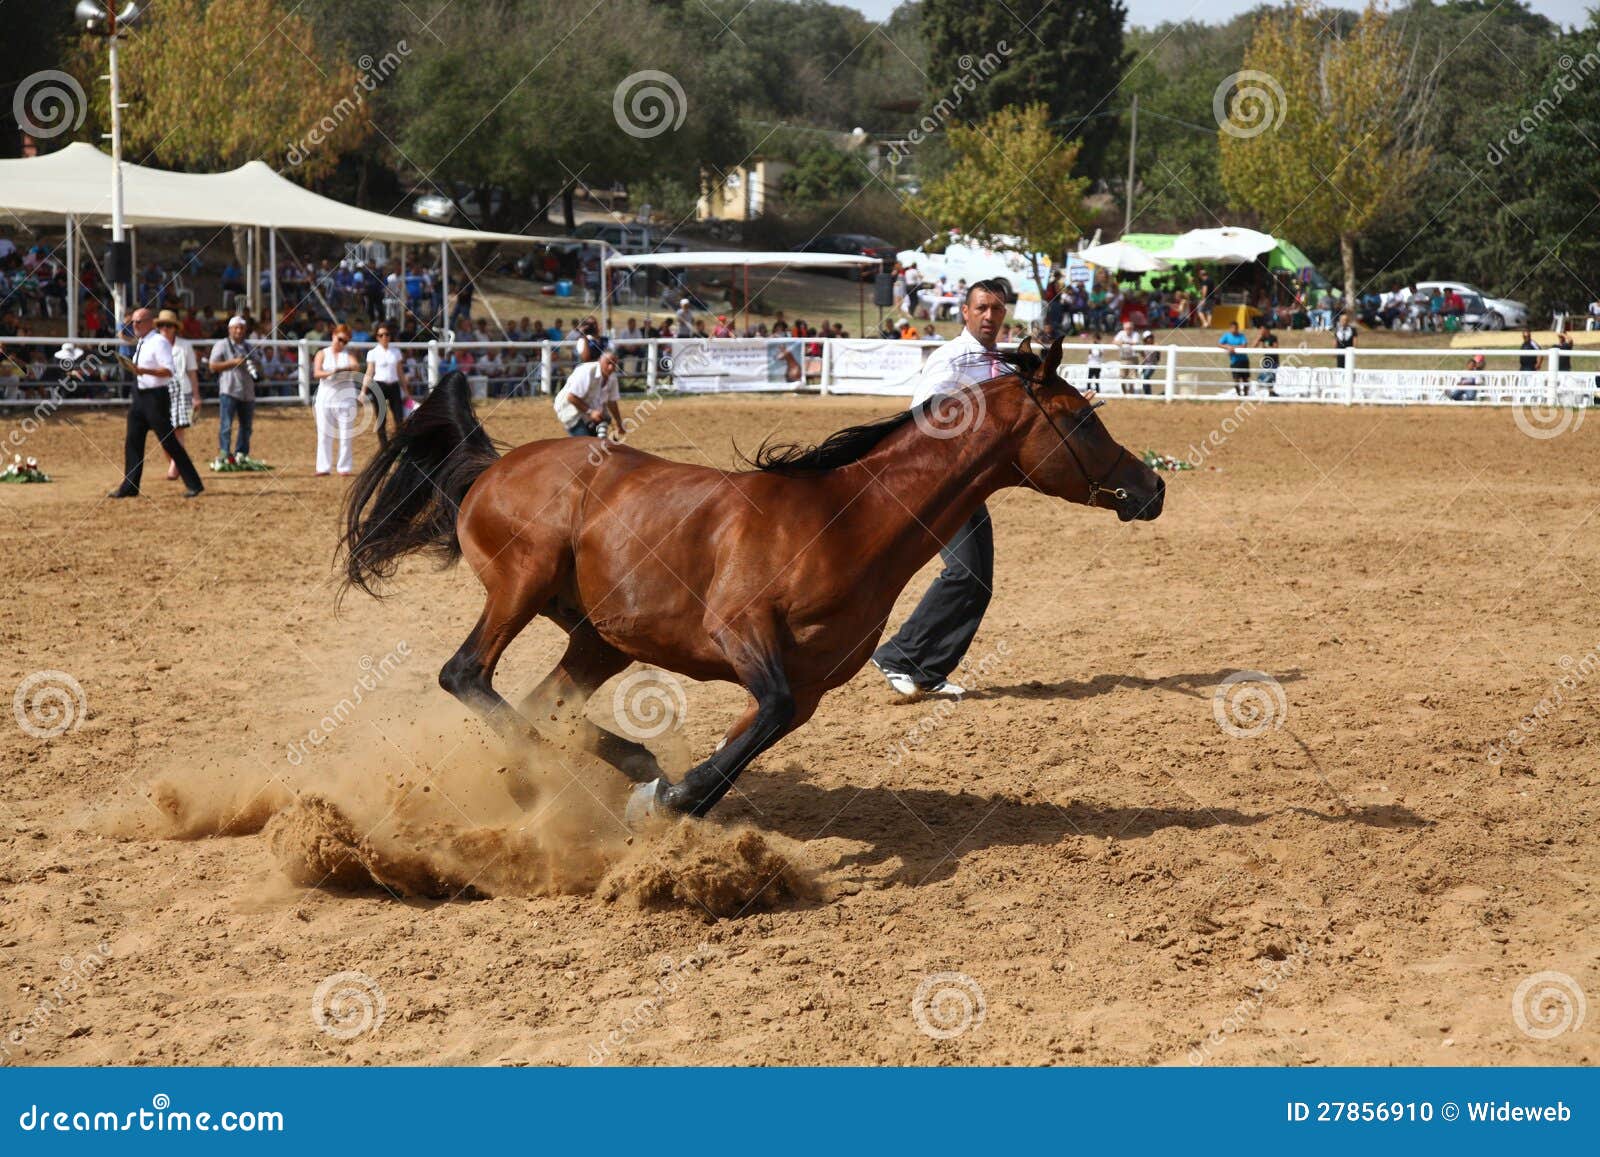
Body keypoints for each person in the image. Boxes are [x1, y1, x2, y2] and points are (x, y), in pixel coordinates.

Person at [870, 278, 1013, 700]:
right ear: (965, 313)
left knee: (978, 582)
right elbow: (922, 417)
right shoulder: (950, 359)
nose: (990, 316)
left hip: (968, 484)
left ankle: (928, 671)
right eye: (983, 308)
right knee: (964, 574)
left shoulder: (1001, 364)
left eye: (997, 309)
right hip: (937, 483)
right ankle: (898, 656)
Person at [107, 307, 204, 498]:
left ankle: (194, 483)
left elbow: (168, 371)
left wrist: (143, 371)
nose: (134, 325)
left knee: (169, 441)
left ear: (150, 323)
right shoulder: (143, 342)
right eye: (132, 322)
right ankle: (130, 486)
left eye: (138, 322)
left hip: (155, 397)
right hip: (140, 395)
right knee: (133, 441)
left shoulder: (159, 342)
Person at [156, 310, 201, 480]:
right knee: (164, 433)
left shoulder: (185, 346)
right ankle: (177, 463)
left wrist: (196, 396)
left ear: (175, 328)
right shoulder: (153, 345)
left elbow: (192, 372)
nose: (165, 328)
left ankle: (175, 466)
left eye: (168, 325)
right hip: (161, 391)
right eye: (162, 325)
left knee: (178, 430)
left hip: (182, 389)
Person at [313, 323, 361, 476]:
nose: (342, 344)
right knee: (324, 434)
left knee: (346, 434)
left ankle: (344, 467)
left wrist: (343, 369)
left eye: (345, 341)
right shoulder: (322, 353)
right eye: (340, 339)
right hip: (325, 398)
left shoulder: (348, 354)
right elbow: (316, 372)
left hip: (345, 398)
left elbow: (356, 366)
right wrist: (330, 373)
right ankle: (323, 467)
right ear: (333, 336)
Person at [209, 315, 257, 459]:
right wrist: (233, 362)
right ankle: (224, 452)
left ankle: (241, 453)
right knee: (226, 425)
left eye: (241, 328)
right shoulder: (222, 345)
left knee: (246, 426)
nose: (239, 331)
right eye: (236, 327)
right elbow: (212, 366)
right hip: (229, 389)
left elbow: (259, 366)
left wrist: (253, 363)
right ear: (230, 329)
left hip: (247, 391)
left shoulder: (250, 347)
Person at [361, 322, 410, 445]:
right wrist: (363, 391)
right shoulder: (372, 353)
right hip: (379, 386)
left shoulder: (396, 352)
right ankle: (384, 446)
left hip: (393, 385)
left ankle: (399, 444)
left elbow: (400, 373)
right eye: (381, 335)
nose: (384, 337)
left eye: (387, 334)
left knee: (399, 417)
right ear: (377, 337)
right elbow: (369, 372)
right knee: (381, 418)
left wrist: (406, 391)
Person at [554, 350, 623, 437]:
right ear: (600, 361)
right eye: (608, 363)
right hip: (569, 409)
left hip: (589, 409)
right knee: (585, 443)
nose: (611, 367)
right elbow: (571, 397)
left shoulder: (612, 377)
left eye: (614, 364)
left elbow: (612, 402)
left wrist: (618, 422)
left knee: (603, 424)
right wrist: (590, 412)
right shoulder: (587, 371)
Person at [1218, 322, 1249, 395]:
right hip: (1234, 361)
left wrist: (1233, 348)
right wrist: (1227, 347)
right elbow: (1219, 344)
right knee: (1236, 379)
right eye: (1233, 328)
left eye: (1236, 328)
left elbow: (1244, 345)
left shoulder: (1241, 336)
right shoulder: (1227, 336)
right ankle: (1238, 395)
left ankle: (1246, 395)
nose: (1234, 330)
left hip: (1244, 360)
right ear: (1230, 328)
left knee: (1245, 379)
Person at [1112, 319, 1140, 393]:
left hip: (1133, 358)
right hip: (1123, 359)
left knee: (1132, 378)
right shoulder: (1121, 333)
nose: (1128, 330)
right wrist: (1119, 342)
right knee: (1122, 377)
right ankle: (1124, 393)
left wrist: (1123, 342)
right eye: (1126, 328)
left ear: (1132, 328)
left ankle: (1131, 393)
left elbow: (1135, 343)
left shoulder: (1135, 334)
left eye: (1130, 328)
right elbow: (1114, 341)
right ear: (1124, 328)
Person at [1254, 325, 1280, 396]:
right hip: (1266, 360)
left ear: (1266, 330)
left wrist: (1265, 347)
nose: (1261, 331)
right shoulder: (1262, 338)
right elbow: (1254, 346)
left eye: (1262, 329)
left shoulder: (1273, 337)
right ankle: (1270, 392)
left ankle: (1271, 392)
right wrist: (1259, 337)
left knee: (1271, 376)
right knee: (1266, 376)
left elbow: (1275, 348)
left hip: (1274, 360)